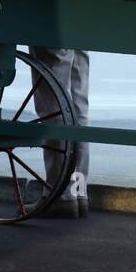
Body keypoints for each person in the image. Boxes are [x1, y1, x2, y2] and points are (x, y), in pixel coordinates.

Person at [27, 48, 91, 217]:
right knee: (78, 104)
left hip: (53, 25)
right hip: (81, 23)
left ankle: (61, 195)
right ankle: (78, 190)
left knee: (53, 103)